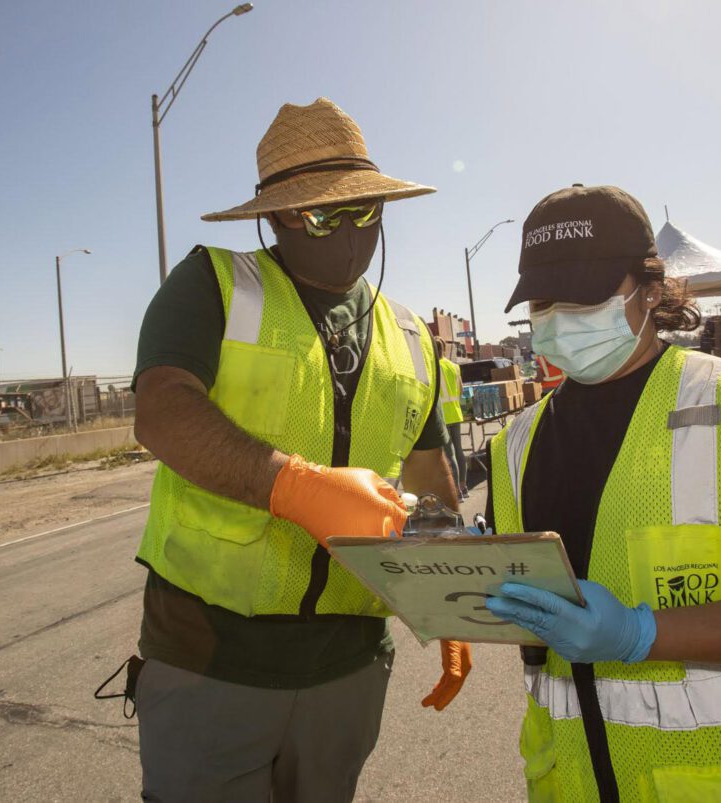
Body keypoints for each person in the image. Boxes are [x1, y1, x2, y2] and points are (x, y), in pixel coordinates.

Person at [130, 98, 471, 802]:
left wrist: (450, 594)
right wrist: (297, 486)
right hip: (212, 660)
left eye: (362, 210)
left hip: (347, 666)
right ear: (274, 218)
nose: (345, 232)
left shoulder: (411, 336)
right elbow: (162, 410)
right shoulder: (212, 286)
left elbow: (431, 474)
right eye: (318, 215)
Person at [483, 185, 721, 801]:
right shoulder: (514, 445)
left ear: (650, 290)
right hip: (570, 781)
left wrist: (637, 634)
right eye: (546, 300)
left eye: (587, 294)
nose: (562, 316)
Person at [436, 338, 468, 498]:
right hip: (456, 413)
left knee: (449, 455)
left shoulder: (434, 367)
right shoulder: (454, 366)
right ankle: (463, 485)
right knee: (459, 451)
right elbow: (461, 390)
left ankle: (456, 492)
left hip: (443, 416)